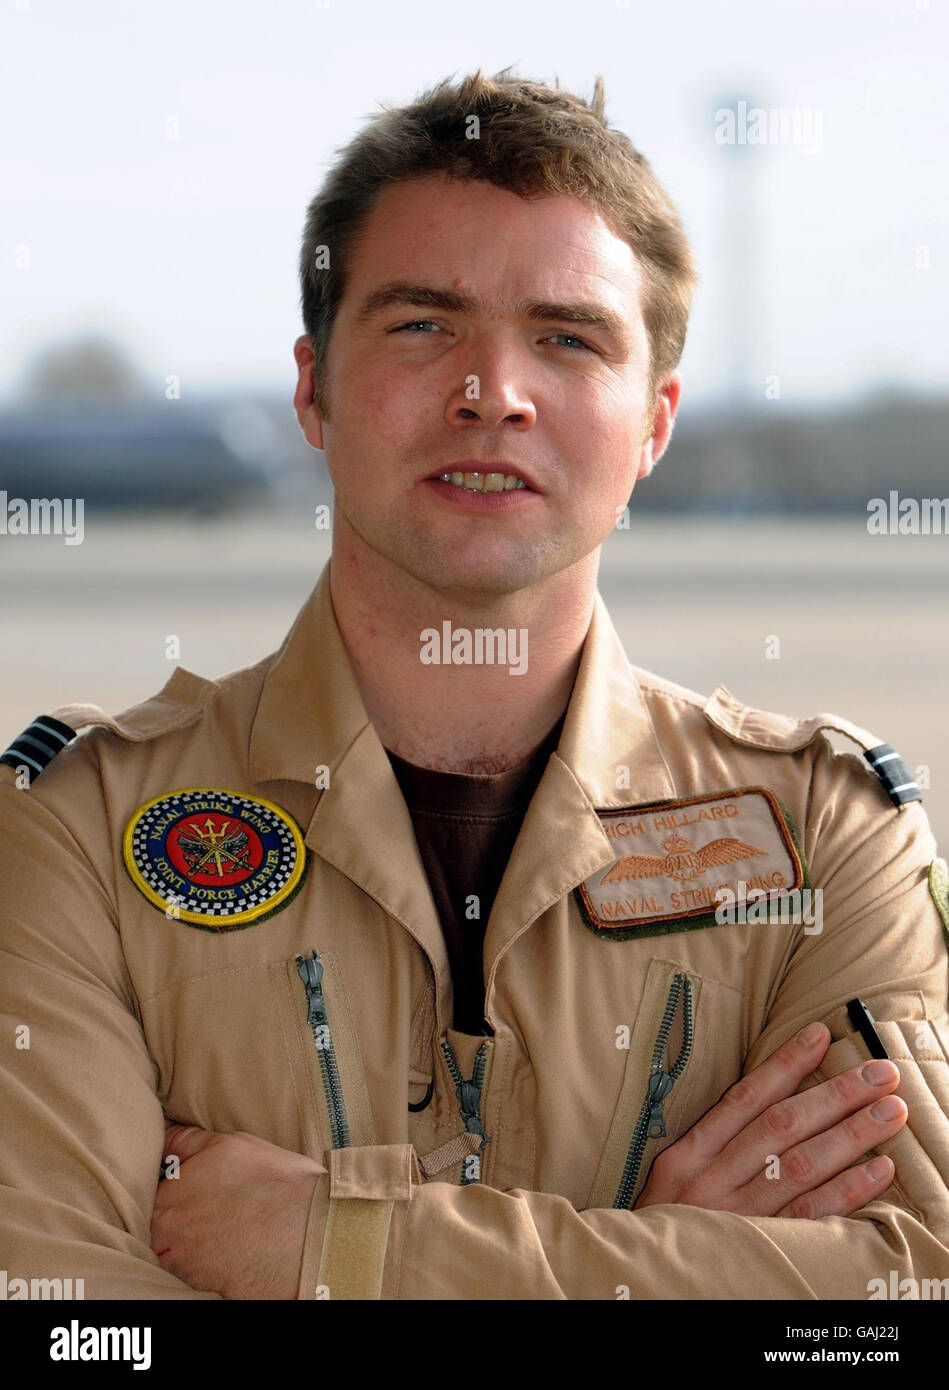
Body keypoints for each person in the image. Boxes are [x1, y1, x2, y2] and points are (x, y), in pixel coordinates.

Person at [2, 68, 948, 1302]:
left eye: (566, 337)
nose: (490, 391)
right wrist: (664, 1266)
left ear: (653, 420)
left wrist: (344, 1247)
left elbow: (897, 1303)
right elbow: (70, 1330)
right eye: (420, 324)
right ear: (312, 390)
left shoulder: (821, 836)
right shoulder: (77, 828)